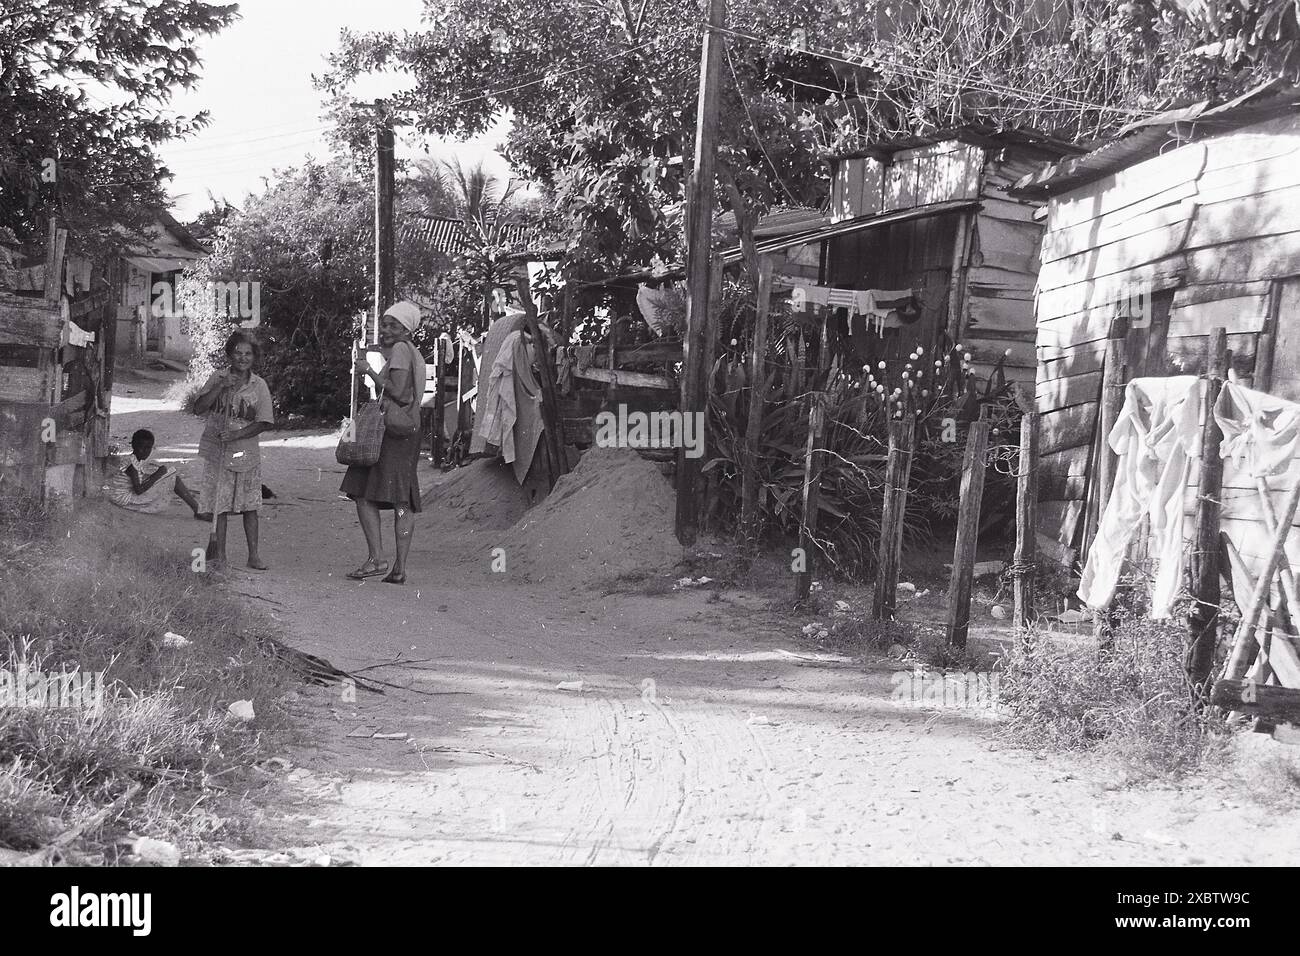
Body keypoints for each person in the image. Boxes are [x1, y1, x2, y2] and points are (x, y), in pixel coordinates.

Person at [341, 301, 426, 584]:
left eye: (393, 326)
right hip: (409, 431)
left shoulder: (401, 350)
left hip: (391, 431)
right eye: (385, 324)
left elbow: (399, 393)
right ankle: (399, 568)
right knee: (403, 501)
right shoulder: (413, 353)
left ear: (406, 330)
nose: (386, 330)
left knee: (362, 492)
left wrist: (368, 371)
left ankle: (376, 558)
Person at [194, 330, 275, 570]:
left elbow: (265, 421)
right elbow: (199, 408)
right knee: (219, 505)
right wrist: (220, 387)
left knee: (250, 505)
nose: (242, 358)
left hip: (245, 454)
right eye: (237, 352)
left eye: (248, 354)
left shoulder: (259, 386)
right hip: (216, 452)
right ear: (229, 354)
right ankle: (219, 556)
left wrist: (237, 434)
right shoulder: (217, 377)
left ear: (254, 357)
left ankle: (254, 556)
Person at [107, 429, 202, 517]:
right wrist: (157, 475)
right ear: (133, 446)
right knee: (173, 478)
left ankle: (197, 509)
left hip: (120, 495)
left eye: (148, 448)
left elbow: (137, 479)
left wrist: (156, 476)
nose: (145, 451)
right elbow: (139, 490)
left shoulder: (132, 459)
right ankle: (197, 510)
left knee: (168, 476)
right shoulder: (132, 465)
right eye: (141, 447)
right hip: (124, 498)